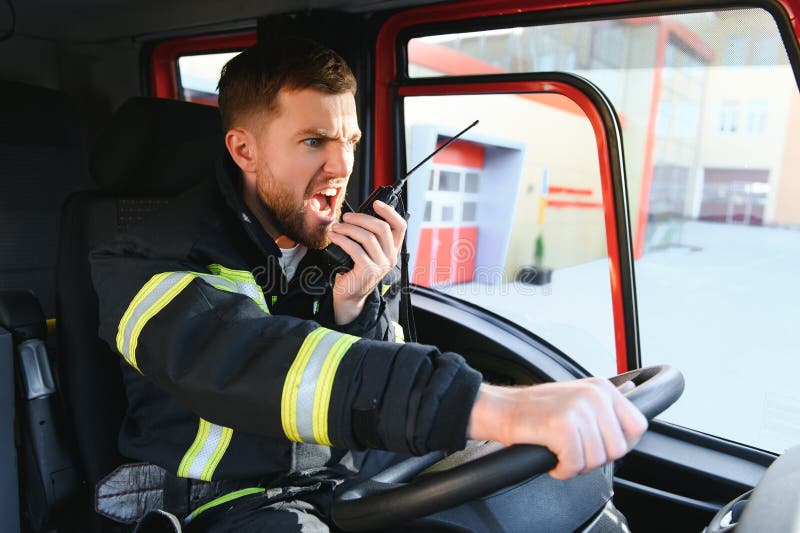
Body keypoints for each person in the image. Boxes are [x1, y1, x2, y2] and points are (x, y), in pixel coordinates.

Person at [89, 38, 647, 532]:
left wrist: (355, 307)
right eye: (314, 142)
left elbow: (377, 392)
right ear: (244, 151)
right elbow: (252, 364)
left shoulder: (343, 247)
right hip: (227, 500)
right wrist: (491, 406)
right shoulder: (144, 257)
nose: (342, 166)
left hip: (349, 479)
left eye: (349, 140)